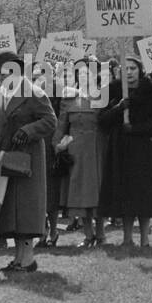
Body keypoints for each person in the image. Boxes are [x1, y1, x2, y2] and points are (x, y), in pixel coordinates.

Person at [0, 50, 56, 273]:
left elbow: (50, 120)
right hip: (5, 155)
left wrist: (28, 130)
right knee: (10, 210)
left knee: (25, 208)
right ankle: (18, 258)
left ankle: (28, 258)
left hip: (28, 156)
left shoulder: (32, 91)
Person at [98, 56, 152, 249]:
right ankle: (127, 238)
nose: (129, 72)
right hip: (120, 149)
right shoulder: (113, 90)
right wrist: (119, 108)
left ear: (140, 70)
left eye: (133, 68)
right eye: (125, 68)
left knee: (143, 193)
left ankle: (145, 238)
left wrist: (135, 129)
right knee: (125, 193)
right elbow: (102, 120)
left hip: (144, 148)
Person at [57, 56, 109, 249]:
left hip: (97, 147)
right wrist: (58, 144)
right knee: (79, 191)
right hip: (76, 149)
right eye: (81, 72)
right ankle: (88, 234)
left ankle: (101, 233)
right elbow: (62, 123)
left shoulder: (103, 95)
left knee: (97, 189)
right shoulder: (68, 96)